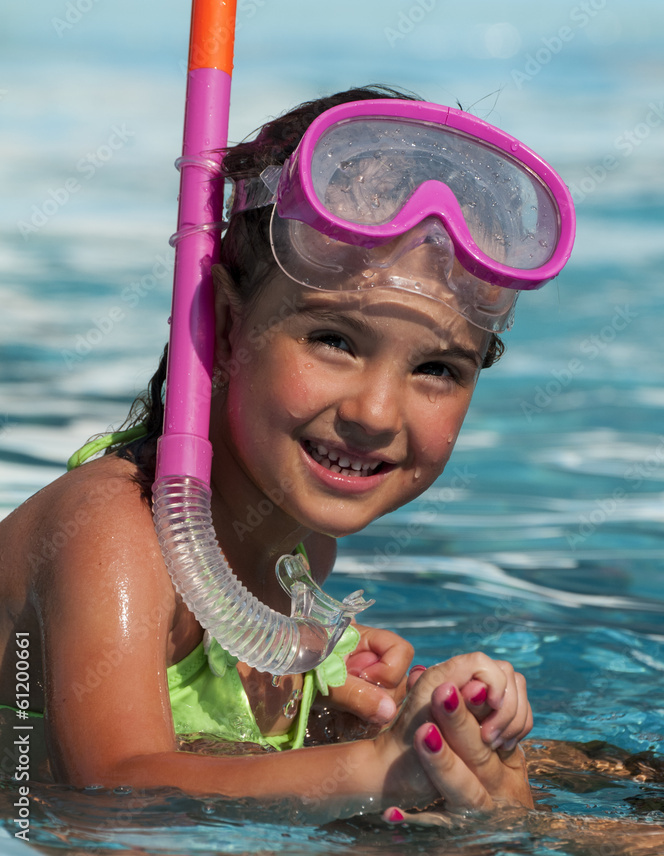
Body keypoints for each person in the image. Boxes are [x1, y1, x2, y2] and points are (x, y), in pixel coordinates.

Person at [0, 84, 575, 822]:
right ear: (227, 325)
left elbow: (223, 765)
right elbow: (111, 796)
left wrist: (426, 725)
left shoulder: (303, 548)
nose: (374, 413)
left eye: (437, 369)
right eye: (334, 341)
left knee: (550, 794)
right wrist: (372, 769)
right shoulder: (114, 533)